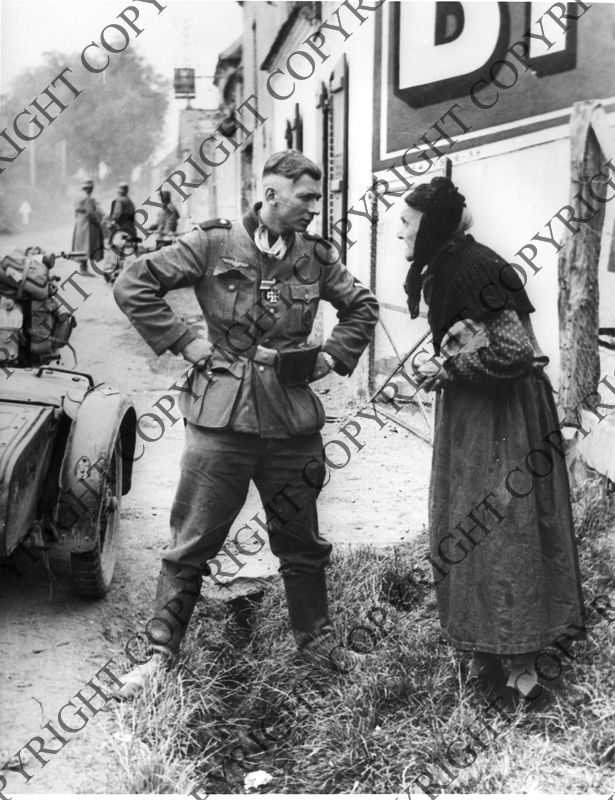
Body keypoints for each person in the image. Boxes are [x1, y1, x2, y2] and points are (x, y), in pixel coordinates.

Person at [113, 150, 379, 697]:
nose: (314, 207)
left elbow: (363, 306)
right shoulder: (212, 244)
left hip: (291, 423)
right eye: (305, 197)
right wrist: (187, 344)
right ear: (272, 194)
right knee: (191, 545)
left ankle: (317, 646)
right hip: (220, 422)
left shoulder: (316, 257)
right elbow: (134, 283)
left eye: (317, 197)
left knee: (301, 545)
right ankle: (159, 657)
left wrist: (330, 358)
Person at [398, 176, 584, 707]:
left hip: (506, 416)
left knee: (504, 526)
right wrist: (447, 368)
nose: (400, 235)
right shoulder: (449, 266)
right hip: (477, 412)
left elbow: (513, 352)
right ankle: (486, 646)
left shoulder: (475, 266)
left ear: (430, 226)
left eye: (407, 224)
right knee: (468, 523)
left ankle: (522, 664)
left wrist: (451, 370)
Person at [71, 179, 104, 276]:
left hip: (79, 222)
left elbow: (76, 212)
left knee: (80, 245)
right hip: (87, 223)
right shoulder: (88, 198)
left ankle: (83, 268)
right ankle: (84, 269)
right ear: (90, 188)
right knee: (87, 244)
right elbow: (90, 212)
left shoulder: (77, 197)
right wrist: (98, 220)